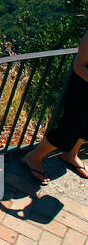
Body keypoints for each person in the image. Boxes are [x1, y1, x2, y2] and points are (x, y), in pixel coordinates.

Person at [23, 30, 88, 184]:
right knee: (68, 129)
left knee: (87, 128)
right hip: (82, 89)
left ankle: (71, 155)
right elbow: (79, 67)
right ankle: (33, 157)